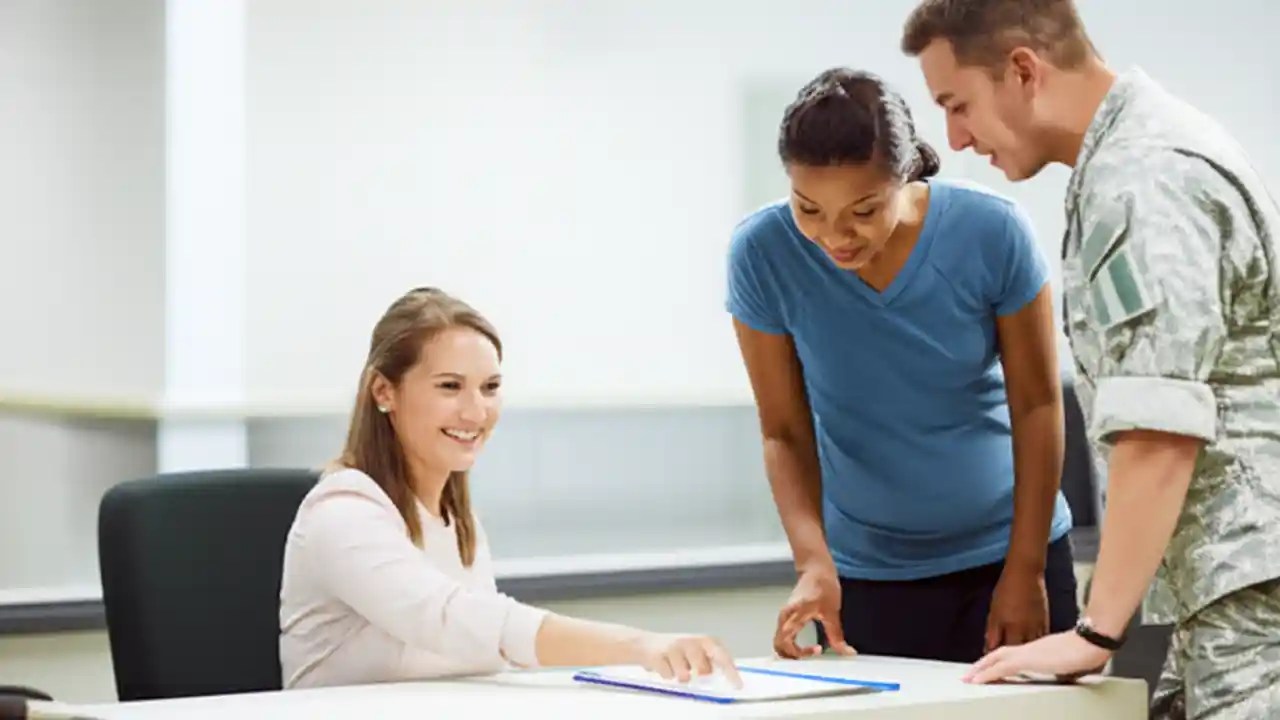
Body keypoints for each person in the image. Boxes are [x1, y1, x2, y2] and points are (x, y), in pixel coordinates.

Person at [902, 1, 1280, 716]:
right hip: (1226, 589)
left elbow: (1160, 427)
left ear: (1021, 71)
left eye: (958, 105)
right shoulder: (1133, 157)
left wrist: (1094, 632)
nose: (953, 139)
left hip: (1252, 598)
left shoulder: (1144, 179)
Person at [725, 67, 1079, 666]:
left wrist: (1026, 569)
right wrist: (814, 564)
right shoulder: (762, 253)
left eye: (863, 210)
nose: (835, 236)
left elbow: (1038, 403)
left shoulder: (993, 232)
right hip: (869, 578)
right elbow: (783, 430)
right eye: (808, 208)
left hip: (1011, 555)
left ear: (905, 176)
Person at [279, 287, 742, 689]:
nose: (476, 411)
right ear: (384, 391)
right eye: (450, 386)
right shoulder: (343, 513)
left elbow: (482, 657)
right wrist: (638, 645)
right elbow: (459, 622)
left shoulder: (457, 521)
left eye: (490, 387)